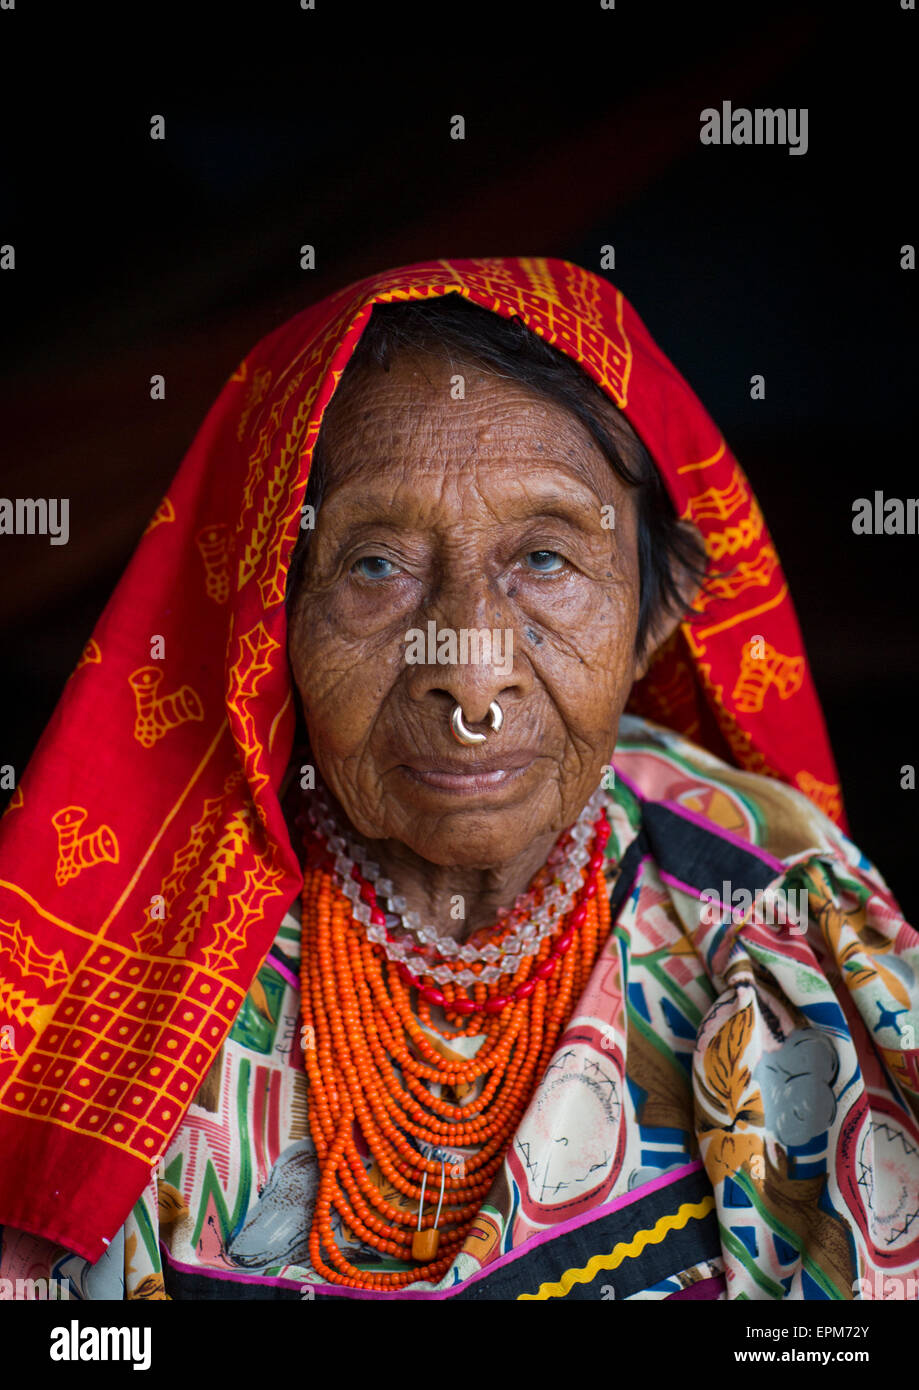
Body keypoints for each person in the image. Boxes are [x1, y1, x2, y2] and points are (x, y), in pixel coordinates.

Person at [0, 257, 916, 1302]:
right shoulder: (133, 969)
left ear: (656, 613)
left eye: (546, 560)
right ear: (267, 619)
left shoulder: (771, 911)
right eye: (374, 565)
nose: (471, 671)